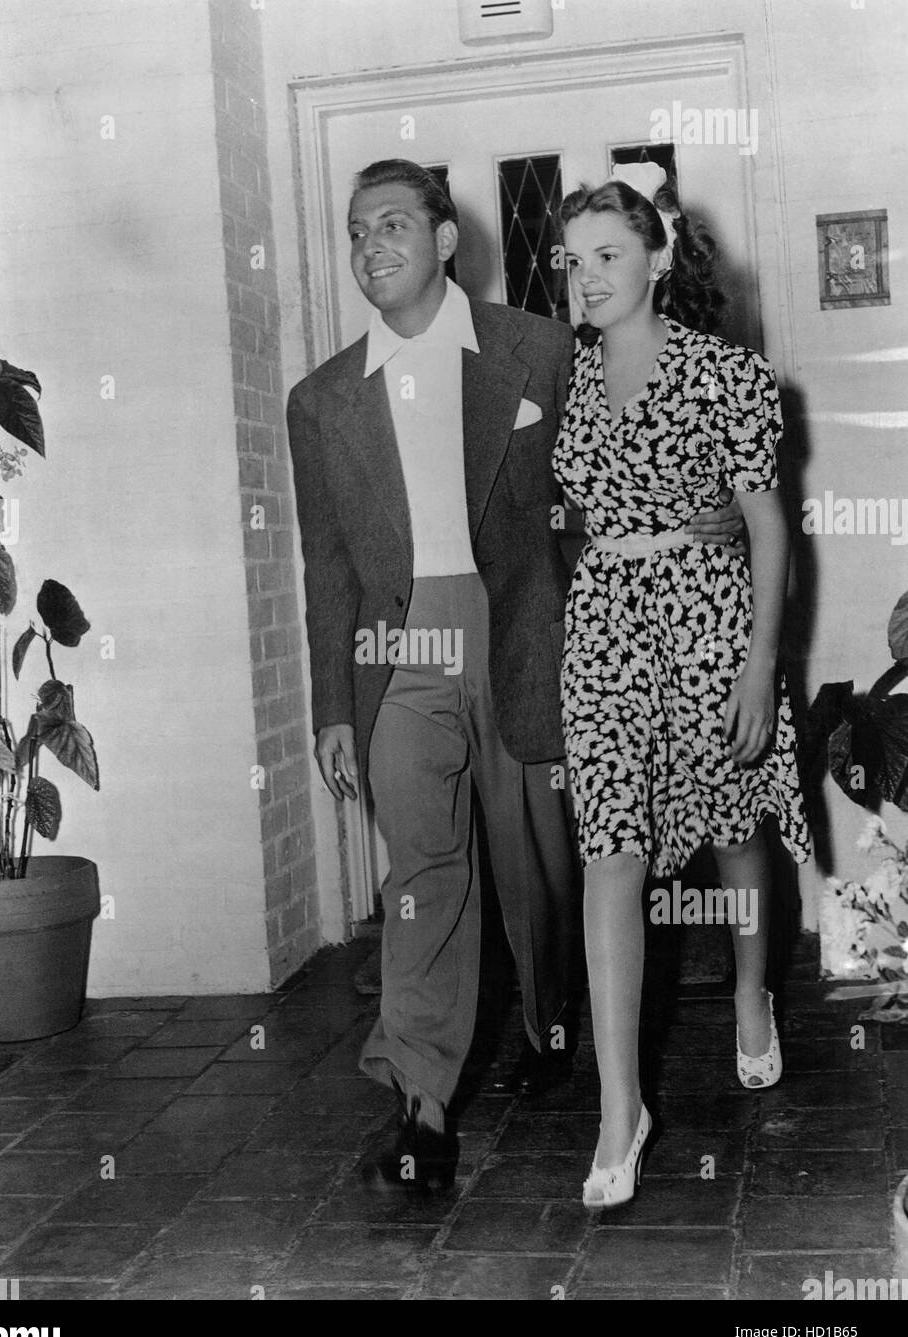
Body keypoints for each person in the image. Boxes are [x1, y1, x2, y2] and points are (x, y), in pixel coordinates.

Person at [286, 158, 743, 1192]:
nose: (374, 247)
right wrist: (330, 709)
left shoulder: (535, 347)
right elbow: (325, 567)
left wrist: (697, 520)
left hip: (530, 630)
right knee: (422, 873)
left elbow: (628, 427)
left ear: (448, 240)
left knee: (540, 864)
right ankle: (422, 1098)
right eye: (358, 232)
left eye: (395, 224)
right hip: (398, 651)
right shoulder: (319, 402)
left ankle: (550, 1021)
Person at [552, 162, 811, 1209]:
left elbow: (768, 525)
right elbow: (573, 502)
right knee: (608, 848)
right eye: (574, 262)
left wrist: (760, 665)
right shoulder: (569, 375)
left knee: (734, 822)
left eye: (609, 256)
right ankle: (622, 1110)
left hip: (710, 621)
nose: (588, 279)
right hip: (606, 627)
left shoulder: (725, 372)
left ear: (658, 258)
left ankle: (752, 991)